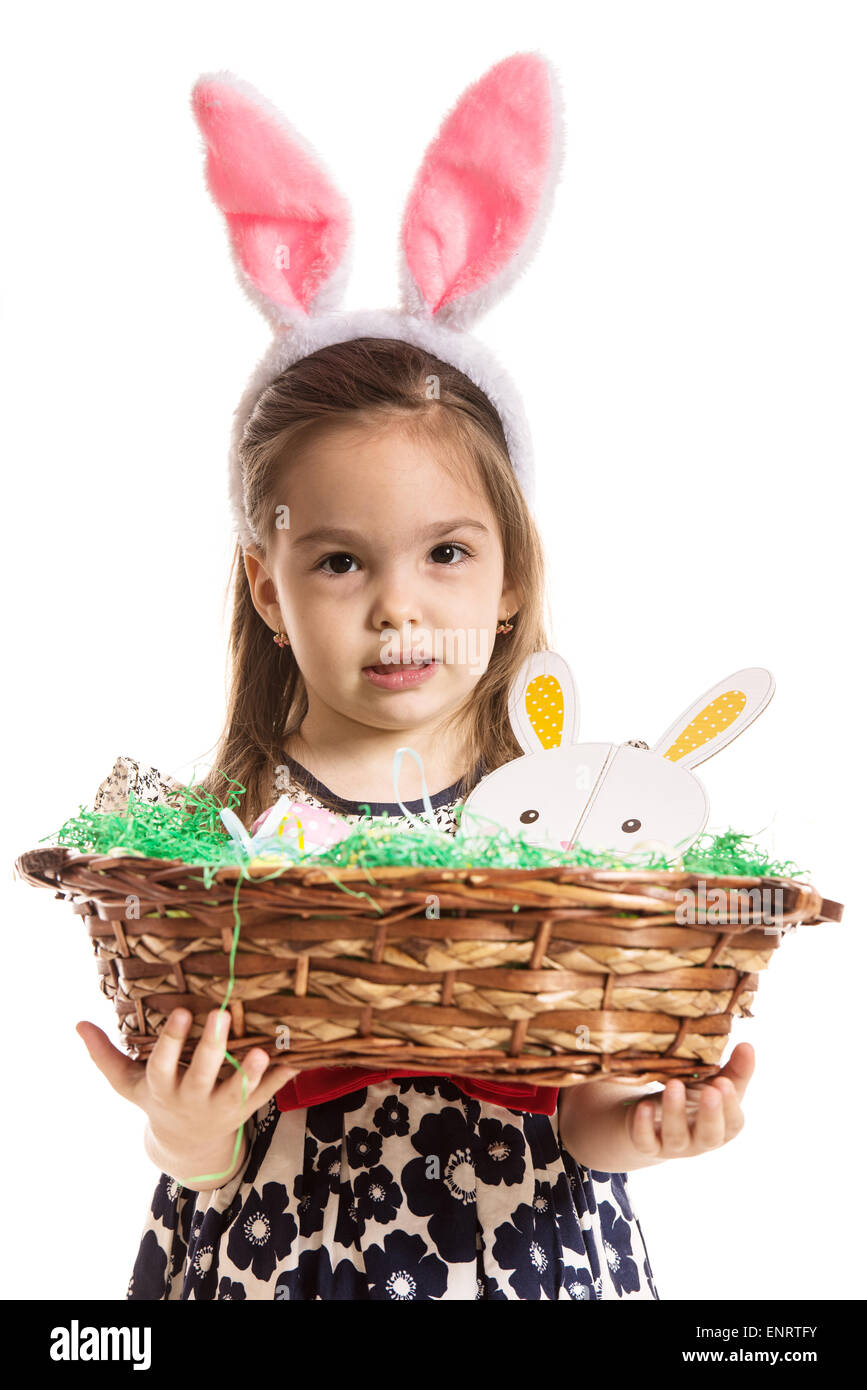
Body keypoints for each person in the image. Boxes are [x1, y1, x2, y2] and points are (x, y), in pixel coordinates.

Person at [77, 337, 755, 1299]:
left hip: (515, 1254)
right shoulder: (225, 830)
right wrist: (183, 1127)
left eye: (445, 552)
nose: (400, 608)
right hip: (281, 1259)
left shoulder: (562, 820)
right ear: (269, 586)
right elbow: (206, 1155)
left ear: (510, 575)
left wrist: (645, 1131)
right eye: (341, 561)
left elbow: (580, 1118)